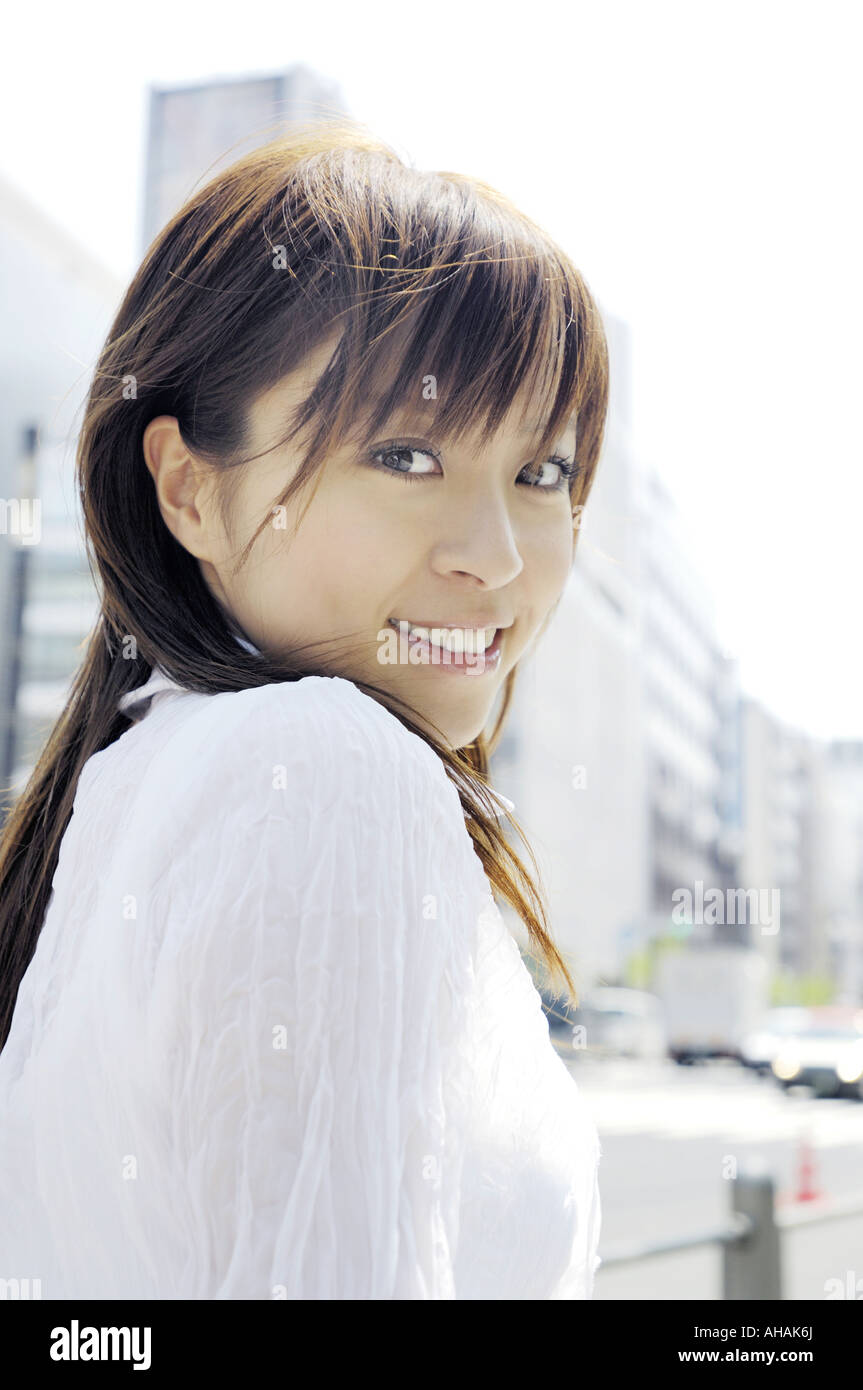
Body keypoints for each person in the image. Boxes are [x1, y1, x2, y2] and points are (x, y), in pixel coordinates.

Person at [0, 120, 609, 1299]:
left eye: (540, 473)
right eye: (405, 455)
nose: (492, 557)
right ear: (190, 489)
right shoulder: (321, 772)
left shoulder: (149, 774)